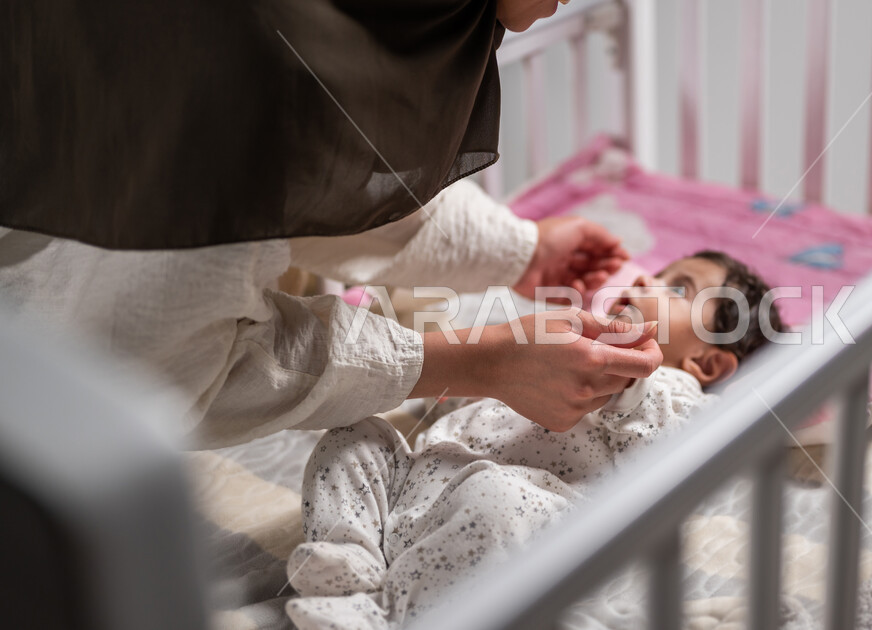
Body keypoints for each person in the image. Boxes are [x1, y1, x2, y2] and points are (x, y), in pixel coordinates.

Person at [0, 0, 660, 447]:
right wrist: (477, 363)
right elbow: (149, 373)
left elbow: (318, 166)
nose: (559, 5)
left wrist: (521, 251)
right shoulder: (233, 62)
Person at [282, 251, 782, 629]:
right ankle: (352, 574)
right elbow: (478, 385)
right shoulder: (566, 345)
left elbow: (653, 434)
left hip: (503, 524)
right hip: (415, 487)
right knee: (357, 436)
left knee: (496, 497)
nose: (644, 279)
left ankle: (387, 616)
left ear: (706, 362)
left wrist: (626, 379)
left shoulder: (682, 397)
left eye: (677, 288)